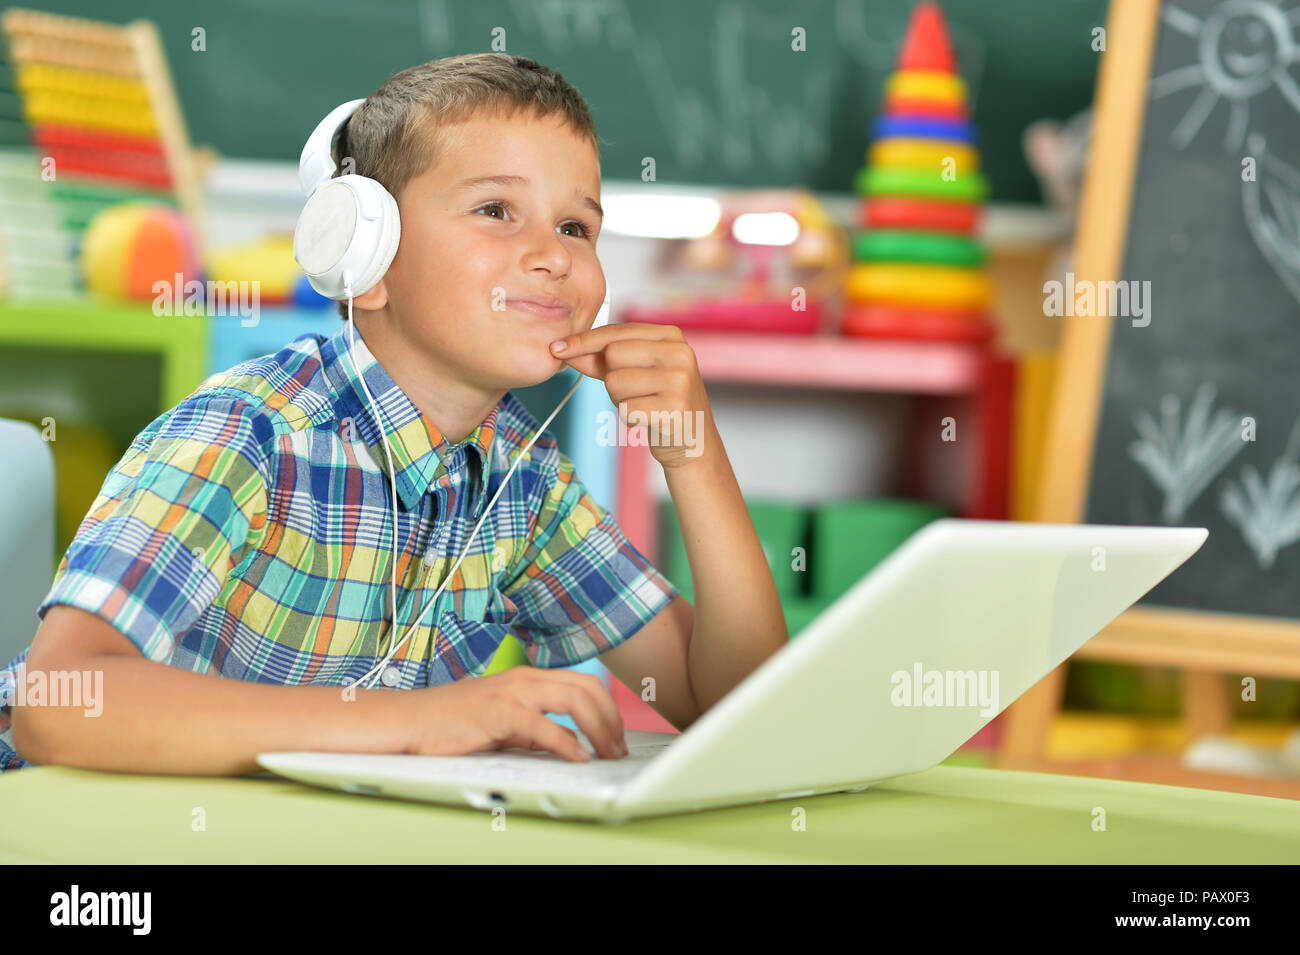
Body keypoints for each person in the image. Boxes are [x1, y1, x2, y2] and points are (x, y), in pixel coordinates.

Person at [1, 53, 788, 775]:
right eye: (496, 210)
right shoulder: (251, 434)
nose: (554, 254)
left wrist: (695, 456)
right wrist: (412, 720)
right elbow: (59, 703)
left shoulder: (524, 486)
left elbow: (738, 711)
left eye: (576, 225)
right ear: (362, 260)